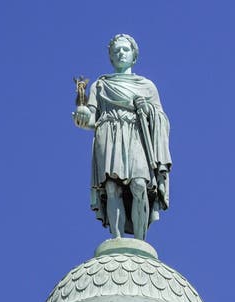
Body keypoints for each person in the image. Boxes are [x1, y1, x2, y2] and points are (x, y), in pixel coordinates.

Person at [73, 34, 172, 240]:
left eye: (125, 50)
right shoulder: (100, 85)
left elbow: (162, 120)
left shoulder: (147, 86)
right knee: (111, 187)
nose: (120, 53)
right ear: (110, 57)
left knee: (139, 184)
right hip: (108, 132)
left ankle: (139, 239)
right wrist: (83, 118)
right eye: (116, 51)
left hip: (135, 133)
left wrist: (148, 111)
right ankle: (116, 238)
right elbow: (92, 118)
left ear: (134, 57)